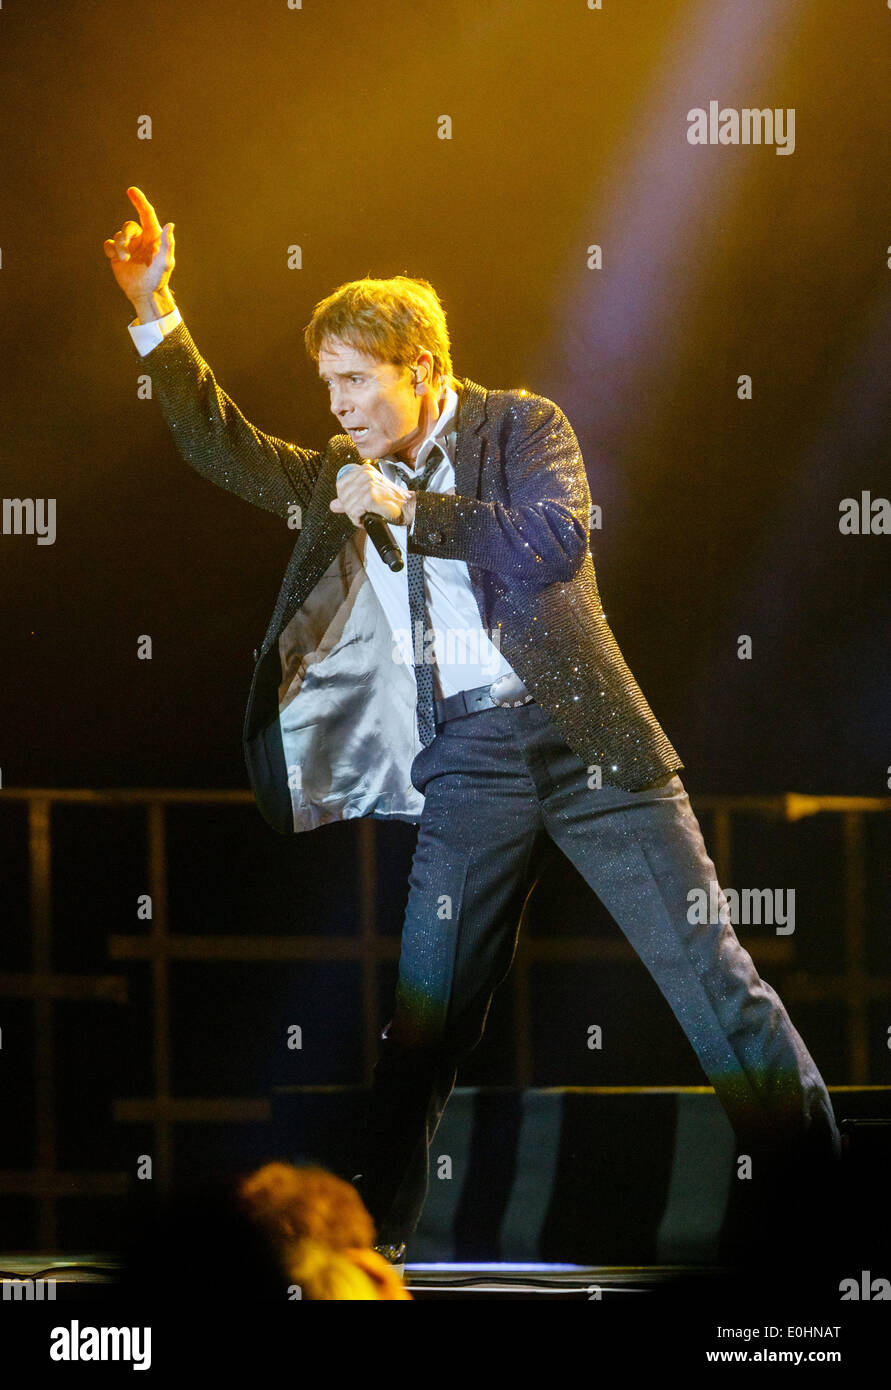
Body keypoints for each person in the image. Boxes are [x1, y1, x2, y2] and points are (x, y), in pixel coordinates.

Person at [104, 187, 841, 1270]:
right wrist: (155, 310)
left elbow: (551, 542)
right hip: (472, 763)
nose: (340, 405)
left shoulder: (525, 426)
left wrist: (413, 511)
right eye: (329, 385)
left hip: (591, 743)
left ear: (423, 370)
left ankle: (826, 1216)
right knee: (424, 1020)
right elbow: (226, 449)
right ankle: (368, 1252)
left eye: (356, 381)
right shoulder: (343, 478)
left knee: (711, 974)